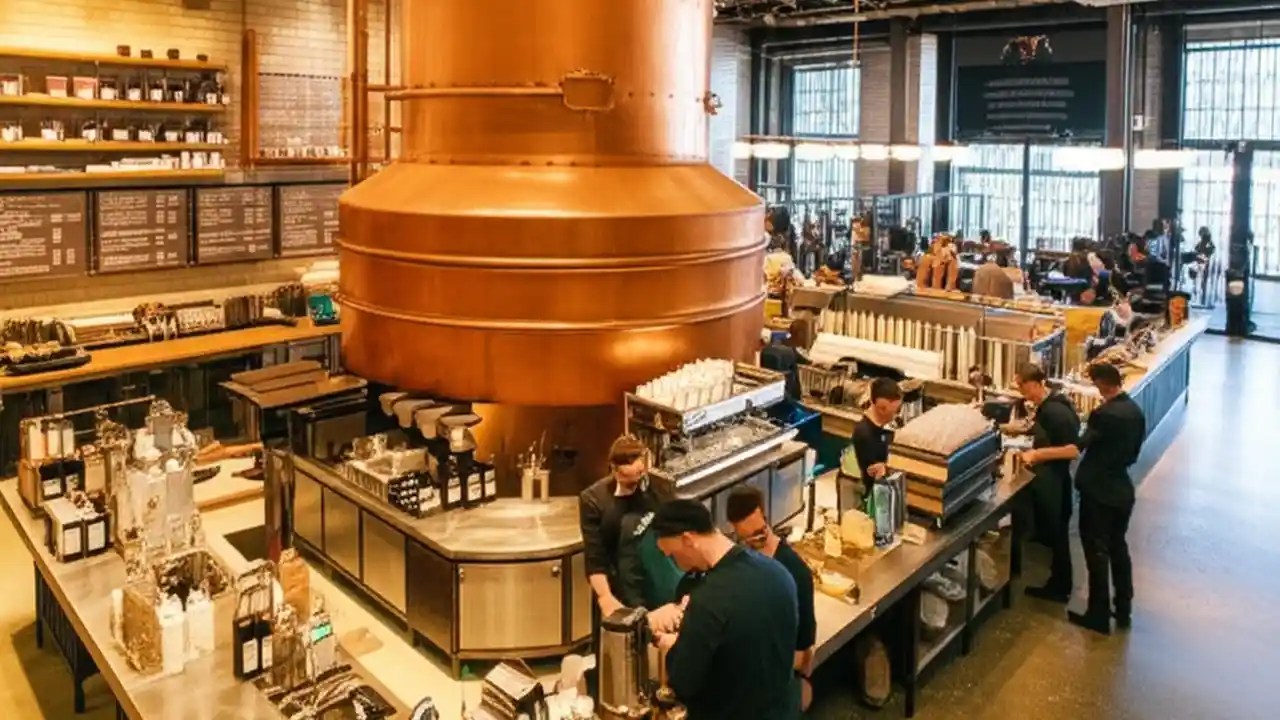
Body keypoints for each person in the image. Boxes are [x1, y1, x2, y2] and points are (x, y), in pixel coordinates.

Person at [1022, 363, 1145, 635]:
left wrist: (1036, 455)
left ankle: (1098, 614)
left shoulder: (1104, 414)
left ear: (1101, 383)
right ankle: (1123, 607)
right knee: (1118, 548)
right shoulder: (1135, 411)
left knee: (1096, 552)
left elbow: (1074, 448)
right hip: (1123, 489)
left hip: (1099, 492)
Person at [651, 500, 799, 720]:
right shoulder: (778, 572)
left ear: (688, 540)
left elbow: (683, 682)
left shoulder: (709, 600)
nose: (676, 564)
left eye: (673, 555)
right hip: (781, 710)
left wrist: (671, 645)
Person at [725, 486, 816, 712]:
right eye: (746, 540)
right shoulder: (741, 562)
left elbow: (804, 655)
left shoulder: (795, 572)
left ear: (766, 520)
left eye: (761, 534)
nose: (756, 543)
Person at [1011, 363, 1081, 603]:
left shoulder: (1055, 412)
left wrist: (1036, 455)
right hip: (1053, 479)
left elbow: (1072, 450)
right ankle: (1059, 583)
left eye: (1024, 386)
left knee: (1058, 535)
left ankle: (1060, 587)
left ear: (1039, 383)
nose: (1021, 391)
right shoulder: (1050, 406)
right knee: (1055, 534)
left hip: (1054, 481)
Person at [579, 435, 669, 617]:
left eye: (641, 473)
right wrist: (605, 597)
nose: (639, 481)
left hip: (656, 578)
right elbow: (595, 558)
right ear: (615, 470)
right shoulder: (594, 500)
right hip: (618, 585)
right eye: (632, 478)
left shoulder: (658, 489)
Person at [851, 378, 903, 500]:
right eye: (894, 412)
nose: (896, 416)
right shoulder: (865, 434)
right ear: (881, 408)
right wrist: (890, 466)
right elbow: (874, 475)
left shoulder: (889, 424)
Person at [760, 318, 813, 402]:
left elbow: (805, 361)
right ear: (800, 334)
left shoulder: (785, 346)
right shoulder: (787, 352)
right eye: (806, 334)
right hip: (784, 396)